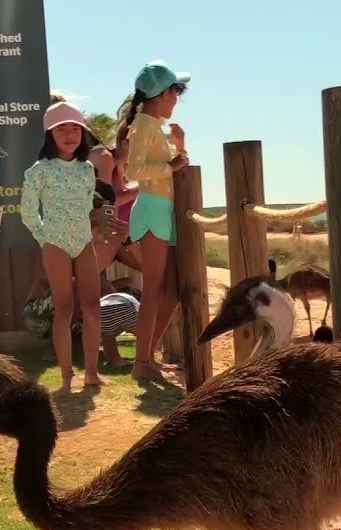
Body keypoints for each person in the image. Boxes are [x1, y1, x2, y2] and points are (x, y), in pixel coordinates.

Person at [21, 101, 105, 391]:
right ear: (49, 133)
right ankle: (67, 376)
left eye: (75, 129)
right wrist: (47, 239)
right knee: (64, 308)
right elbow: (29, 213)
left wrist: (87, 232)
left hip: (83, 244)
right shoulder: (38, 171)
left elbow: (85, 207)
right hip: (55, 244)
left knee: (92, 306)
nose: (70, 135)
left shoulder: (86, 170)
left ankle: (91, 373)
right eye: (62, 129)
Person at [120, 60, 190, 382]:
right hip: (151, 211)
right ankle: (142, 363)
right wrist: (171, 167)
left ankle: (147, 357)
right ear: (163, 93)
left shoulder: (152, 126)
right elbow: (134, 173)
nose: (177, 100)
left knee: (172, 290)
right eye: (175, 93)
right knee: (154, 291)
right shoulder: (144, 125)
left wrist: (180, 149)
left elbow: (168, 167)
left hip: (162, 212)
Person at [23, 274, 141, 367]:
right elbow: (41, 279)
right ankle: (54, 348)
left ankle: (60, 347)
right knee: (85, 288)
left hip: (55, 322)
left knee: (94, 313)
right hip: (38, 316)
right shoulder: (100, 286)